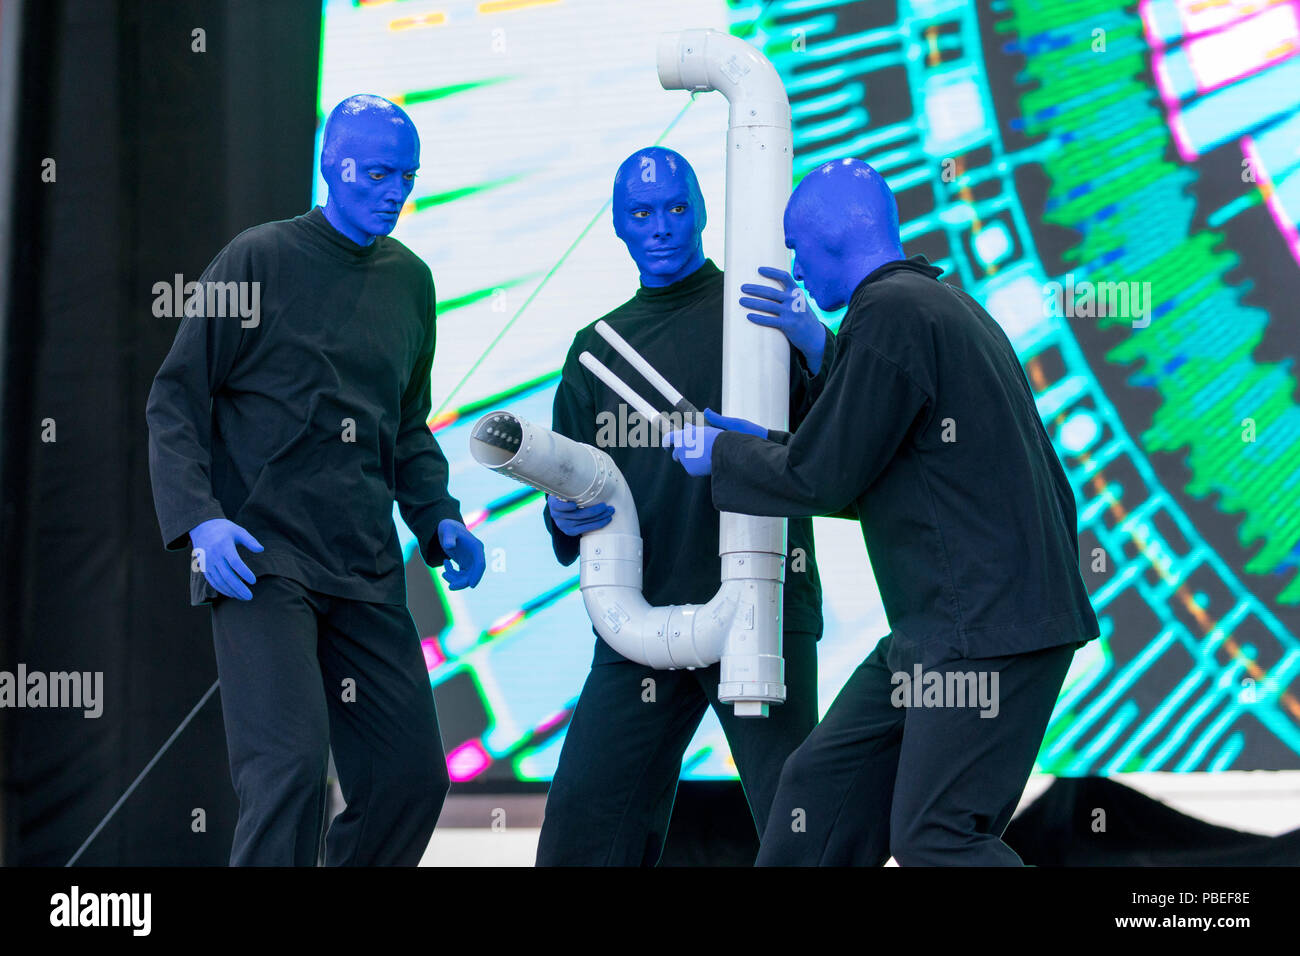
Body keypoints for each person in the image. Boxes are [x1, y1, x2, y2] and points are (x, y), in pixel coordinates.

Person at [665, 158, 1099, 865]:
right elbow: (868, 448)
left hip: (980, 629)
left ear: (834, 237)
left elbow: (823, 475)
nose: (795, 272)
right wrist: (813, 352)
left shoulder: (891, 313)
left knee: (938, 838)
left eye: (797, 249)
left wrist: (723, 455)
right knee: (818, 791)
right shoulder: (934, 306)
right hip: (953, 625)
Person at [145, 94, 486, 866]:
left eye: (408, 176)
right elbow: (175, 398)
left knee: (410, 779)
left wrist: (439, 518)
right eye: (377, 173)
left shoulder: (411, 282)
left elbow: (405, 423)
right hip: (263, 562)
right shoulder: (257, 260)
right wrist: (200, 518)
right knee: (290, 769)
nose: (395, 191)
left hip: (364, 566)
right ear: (333, 166)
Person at [535, 146, 835, 866]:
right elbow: (571, 491)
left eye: (676, 208)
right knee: (582, 829)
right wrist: (561, 517)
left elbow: (841, 430)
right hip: (639, 616)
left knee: (805, 832)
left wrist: (816, 339)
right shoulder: (593, 354)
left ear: (703, 211)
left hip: (760, 603)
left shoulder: (757, 316)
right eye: (642, 213)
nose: (662, 226)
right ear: (617, 225)